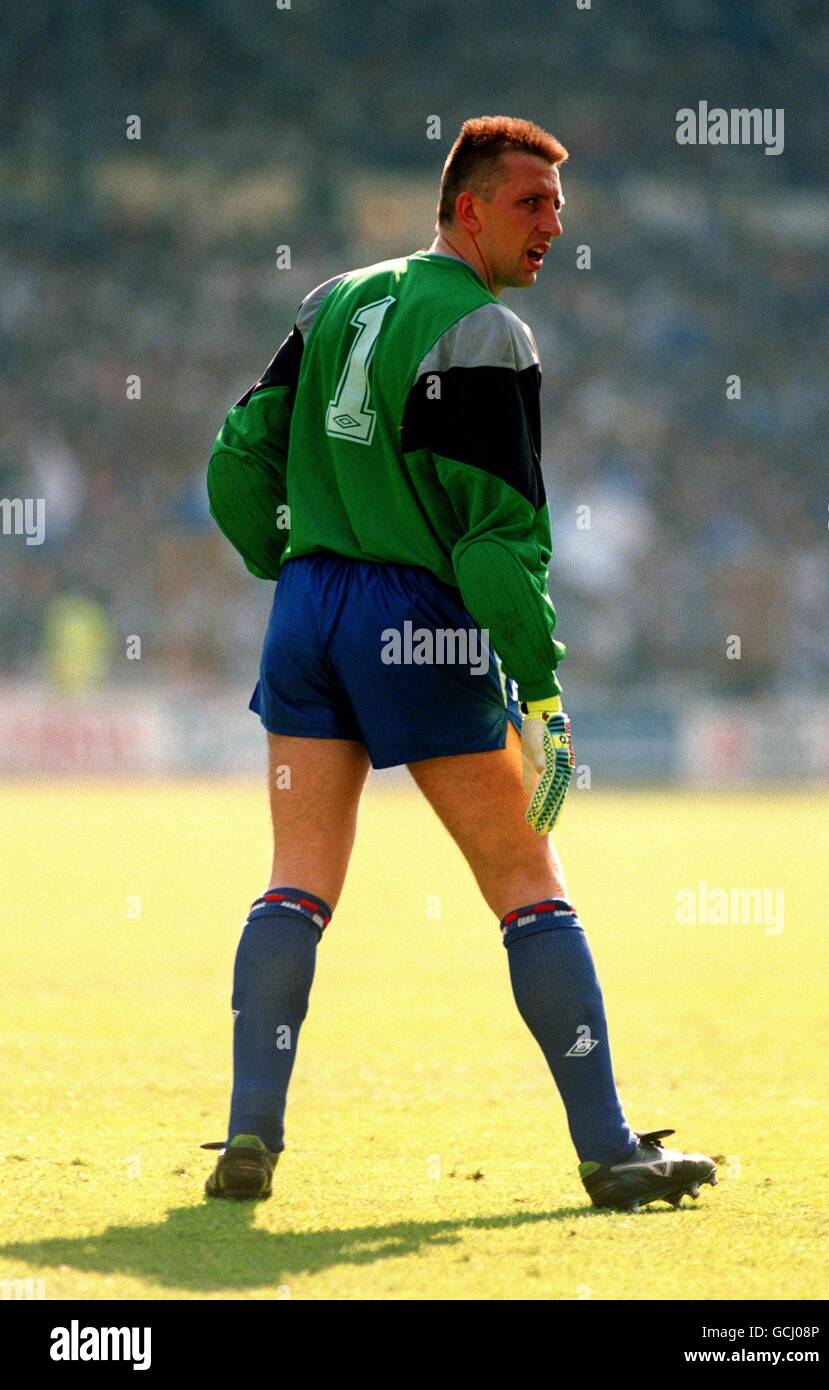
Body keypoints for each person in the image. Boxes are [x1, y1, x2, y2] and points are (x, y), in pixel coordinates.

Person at [203, 116, 716, 1212]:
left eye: (560, 209)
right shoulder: (482, 332)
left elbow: (238, 452)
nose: (552, 228)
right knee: (527, 879)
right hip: (412, 614)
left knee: (296, 878)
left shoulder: (334, 299)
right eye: (531, 205)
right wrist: (540, 687)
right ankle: (608, 1149)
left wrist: (282, 560)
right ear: (467, 207)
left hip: (307, 610)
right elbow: (494, 542)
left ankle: (248, 1135)